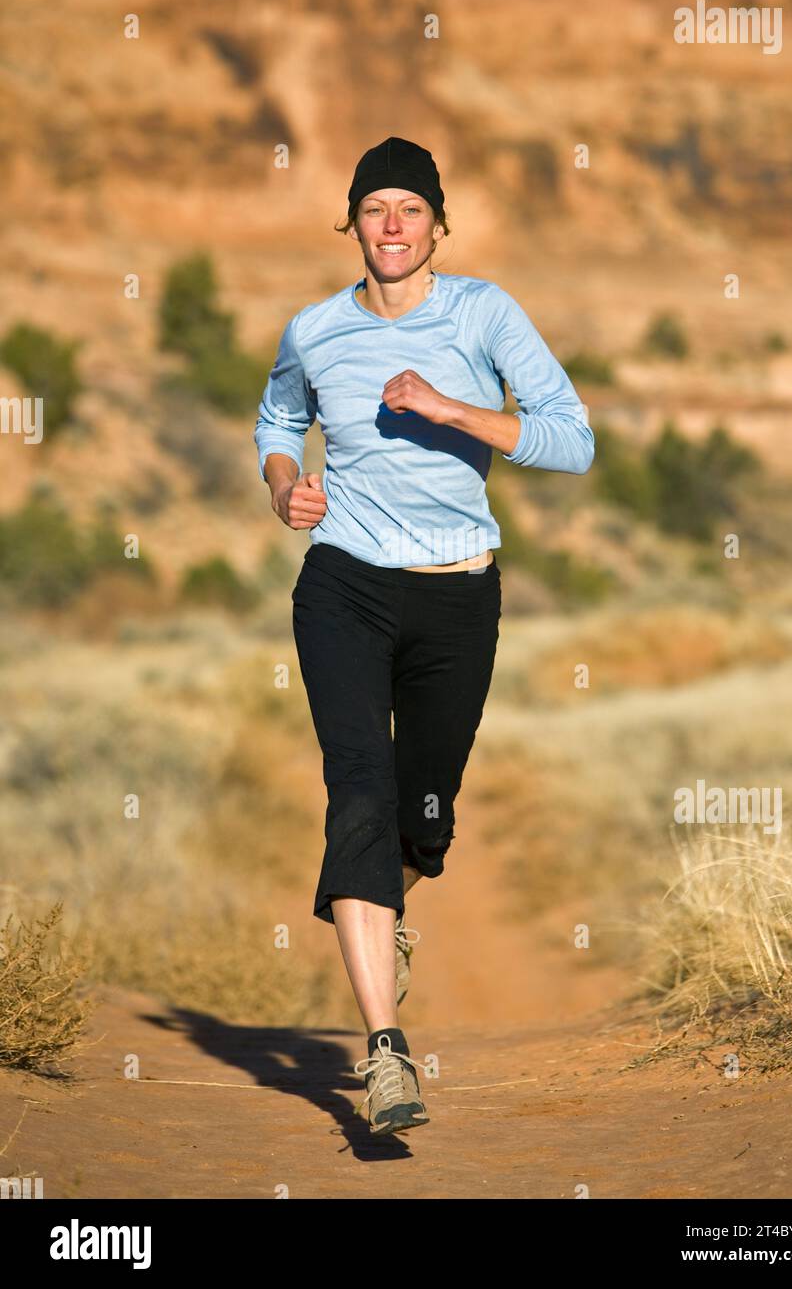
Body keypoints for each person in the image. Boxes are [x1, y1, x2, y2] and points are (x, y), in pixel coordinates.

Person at [254, 136, 594, 1136]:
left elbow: (571, 439)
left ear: (437, 226)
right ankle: (385, 1052)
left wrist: (451, 409)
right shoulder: (314, 329)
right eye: (373, 209)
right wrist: (287, 489)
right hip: (344, 587)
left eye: (409, 208)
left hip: (457, 598)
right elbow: (277, 420)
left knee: (421, 821)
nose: (390, 226)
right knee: (356, 788)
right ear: (351, 225)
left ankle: (385, 903)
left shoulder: (482, 313)